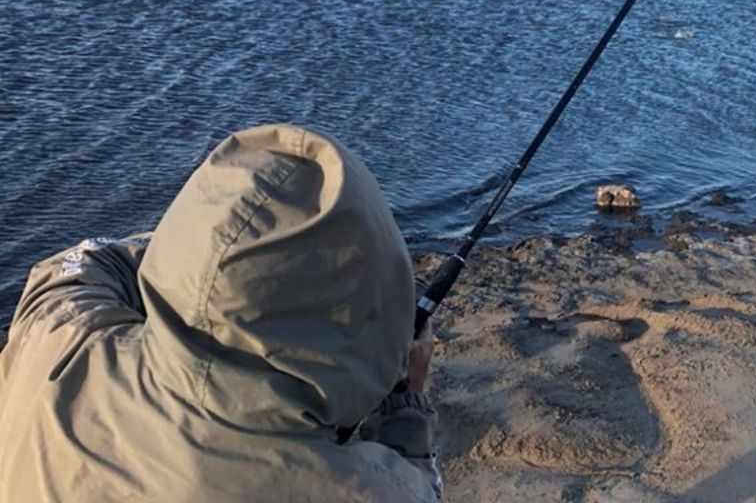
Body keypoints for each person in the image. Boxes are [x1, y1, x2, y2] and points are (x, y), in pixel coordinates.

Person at [0, 124, 444, 502]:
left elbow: (83, 263)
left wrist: (207, 250)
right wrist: (406, 402)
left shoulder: (56, 333)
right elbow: (420, 486)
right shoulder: (358, 489)